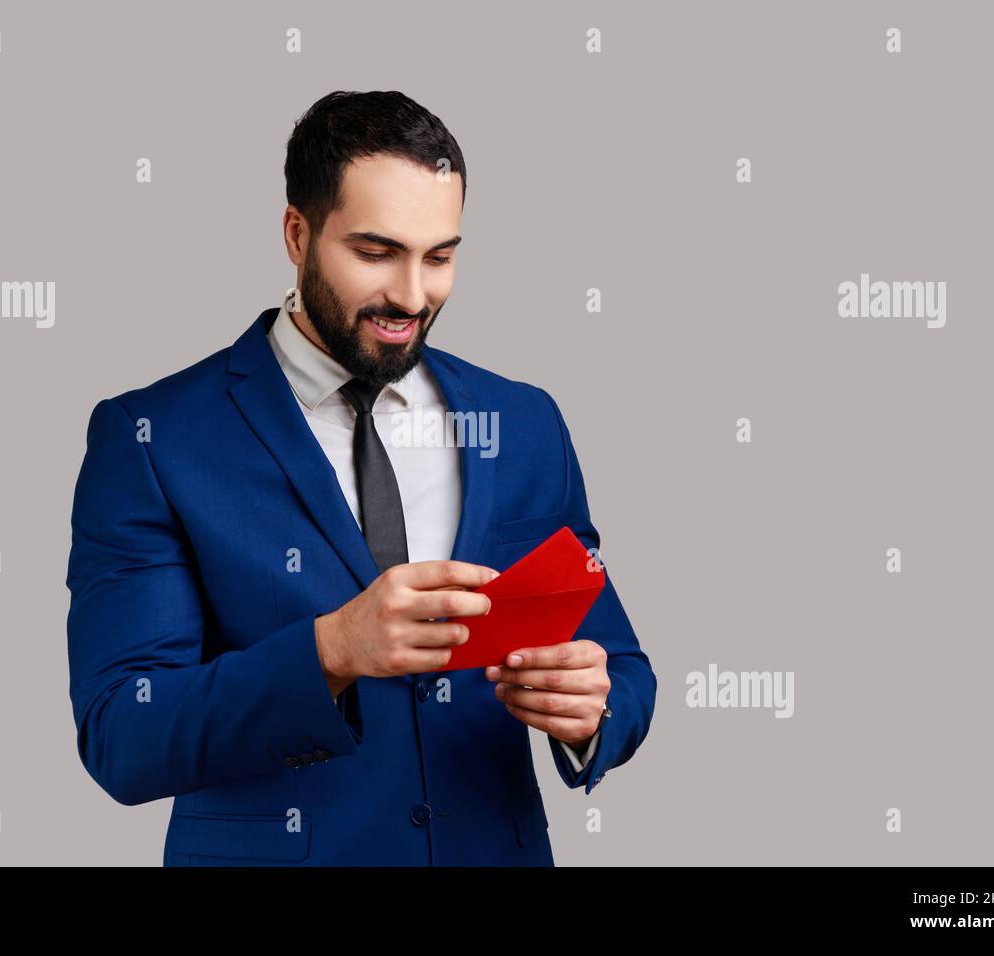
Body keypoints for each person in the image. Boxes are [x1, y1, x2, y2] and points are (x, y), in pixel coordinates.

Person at [65, 90, 656, 866]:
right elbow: (123, 733)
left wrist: (592, 711)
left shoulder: (525, 422)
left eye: (440, 256)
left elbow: (620, 665)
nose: (412, 296)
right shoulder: (154, 438)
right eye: (377, 253)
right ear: (297, 234)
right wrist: (331, 650)